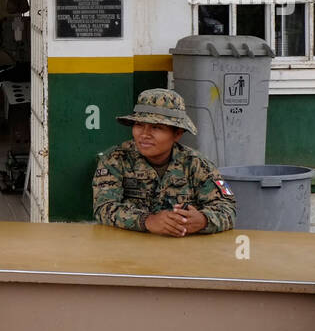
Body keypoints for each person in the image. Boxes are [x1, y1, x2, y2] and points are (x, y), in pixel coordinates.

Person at [93, 88, 235, 236]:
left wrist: (204, 220)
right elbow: (103, 207)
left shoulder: (197, 164)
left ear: (177, 134)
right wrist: (146, 221)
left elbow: (228, 208)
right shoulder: (116, 160)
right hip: (130, 251)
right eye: (139, 125)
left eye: (156, 127)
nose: (145, 134)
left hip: (184, 252)